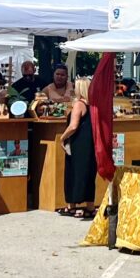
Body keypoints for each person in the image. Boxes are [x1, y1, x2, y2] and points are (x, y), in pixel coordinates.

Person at [58, 76, 97, 219]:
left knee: (73, 173)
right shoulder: (93, 105)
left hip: (78, 142)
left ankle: (72, 206)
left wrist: (62, 137)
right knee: (88, 173)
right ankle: (90, 207)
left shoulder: (79, 104)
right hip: (90, 143)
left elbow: (73, 126)